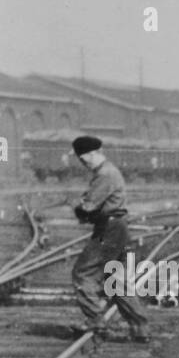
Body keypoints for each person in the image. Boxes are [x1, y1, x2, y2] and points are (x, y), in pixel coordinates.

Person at [69, 135, 149, 342]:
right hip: (117, 227)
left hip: (110, 228)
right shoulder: (107, 172)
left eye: (84, 159)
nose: (83, 163)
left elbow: (88, 207)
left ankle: (96, 319)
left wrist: (78, 207)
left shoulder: (105, 174)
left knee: (83, 273)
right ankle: (140, 327)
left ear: (93, 153)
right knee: (114, 280)